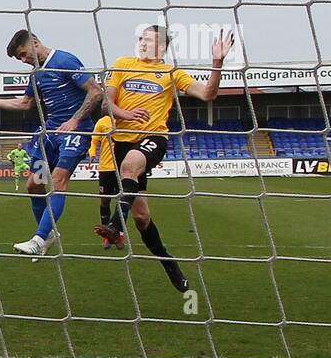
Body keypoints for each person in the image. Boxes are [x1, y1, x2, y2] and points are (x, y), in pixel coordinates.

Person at [95, 25, 236, 291]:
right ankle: (169, 264)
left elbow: (208, 94)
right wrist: (125, 115)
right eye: (140, 38)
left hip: (153, 138)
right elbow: (106, 103)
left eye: (148, 40)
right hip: (121, 141)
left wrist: (217, 61)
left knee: (129, 166)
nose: (142, 43)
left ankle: (115, 225)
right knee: (142, 217)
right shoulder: (123, 64)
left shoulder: (171, 73)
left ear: (162, 47)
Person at [0, 30, 103, 258]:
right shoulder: (37, 75)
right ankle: (49, 234)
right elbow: (25, 104)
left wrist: (75, 119)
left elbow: (95, 92)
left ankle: (38, 239)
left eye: (23, 54)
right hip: (50, 135)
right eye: (20, 59)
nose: (24, 60)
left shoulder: (64, 60)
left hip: (75, 133)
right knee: (34, 185)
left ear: (34, 43)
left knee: (58, 180)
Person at [90, 114, 120, 251]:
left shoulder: (126, 119)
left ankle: (119, 234)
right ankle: (106, 236)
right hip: (106, 168)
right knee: (105, 200)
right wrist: (92, 153)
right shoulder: (102, 122)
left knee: (123, 201)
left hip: (122, 167)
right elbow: (94, 140)